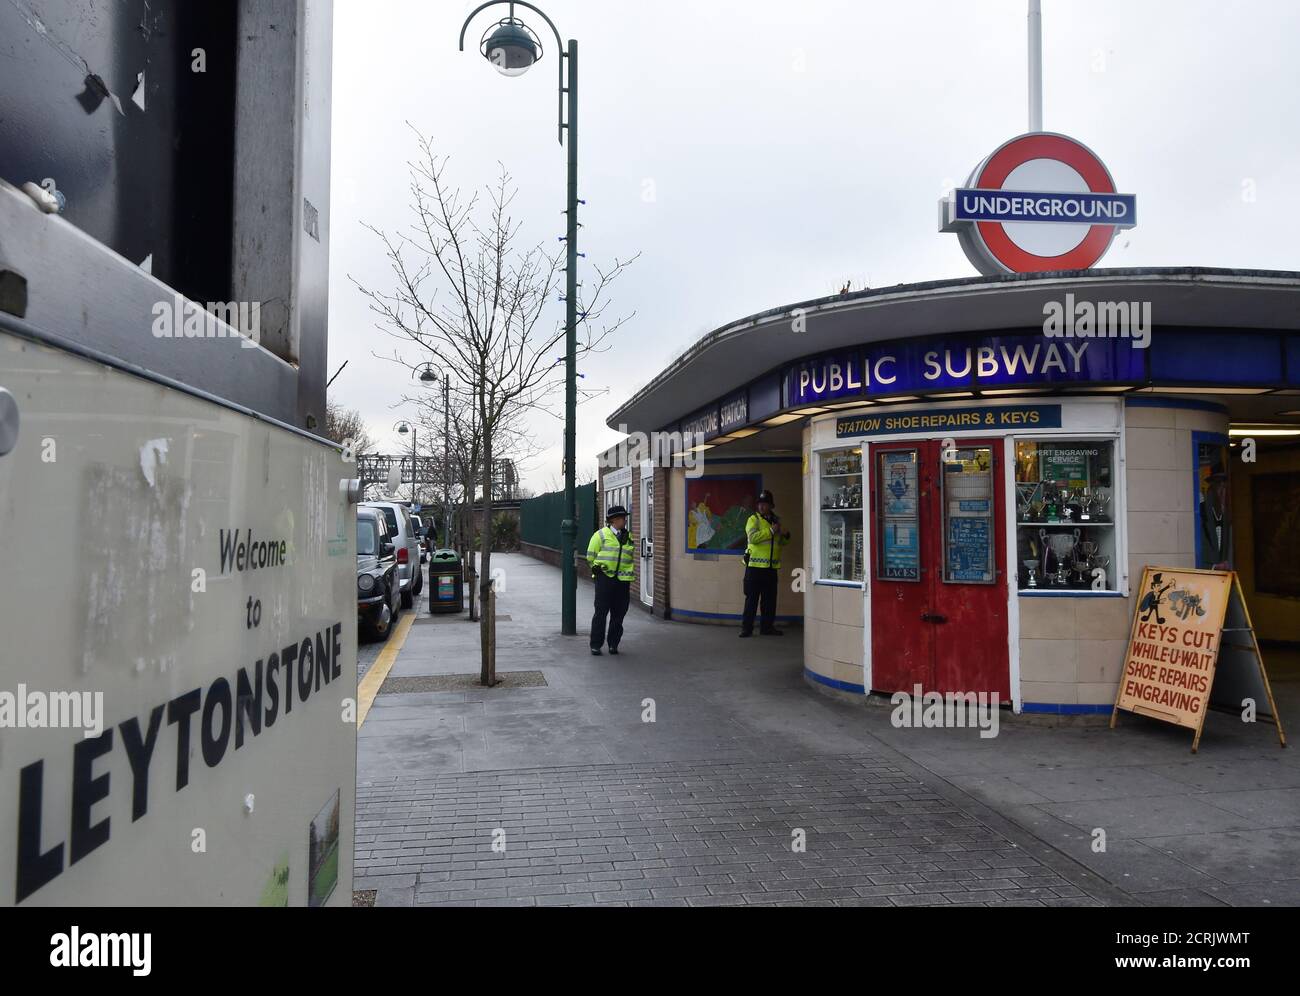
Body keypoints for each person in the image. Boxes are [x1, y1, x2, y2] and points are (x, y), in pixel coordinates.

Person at [740, 489, 790, 637]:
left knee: (769, 601)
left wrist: (785, 535)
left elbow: (782, 542)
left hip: (771, 567)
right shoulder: (753, 519)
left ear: (771, 506)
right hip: (754, 567)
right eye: (760, 504)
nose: (761, 507)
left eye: (765, 504)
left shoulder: (776, 521)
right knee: (751, 600)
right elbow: (753, 538)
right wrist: (771, 531)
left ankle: (767, 628)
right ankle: (746, 629)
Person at [588, 504, 635, 656]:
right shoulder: (600, 535)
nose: (625, 520)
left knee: (619, 614)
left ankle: (613, 644)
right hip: (604, 580)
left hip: (622, 581)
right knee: (601, 613)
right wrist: (597, 568)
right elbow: (591, 555)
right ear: (614, 520)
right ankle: (596, 645)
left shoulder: (628, 537)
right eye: (623, 518)